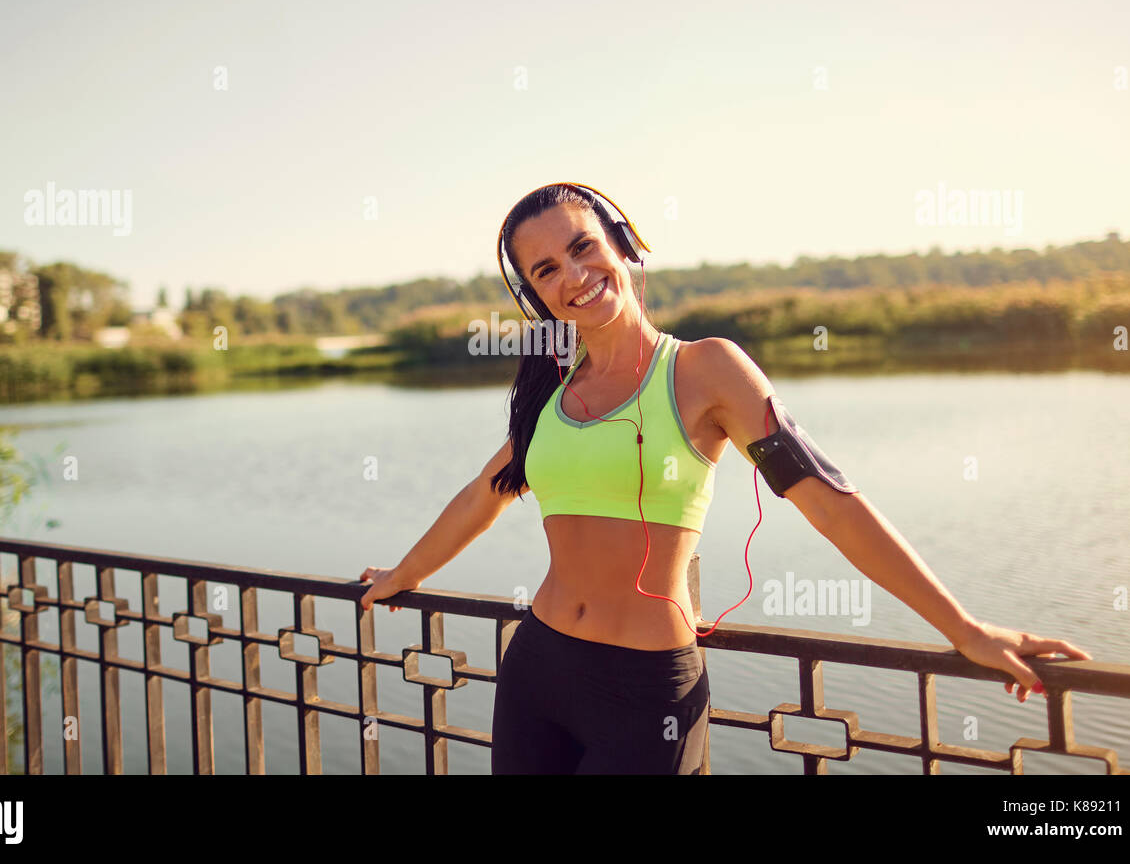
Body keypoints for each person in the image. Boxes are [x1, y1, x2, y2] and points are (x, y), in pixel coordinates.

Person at [359, 183, 1091, 774]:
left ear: (623, 243)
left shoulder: (706, 370)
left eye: (583, 248)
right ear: (536, 296)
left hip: (644, 692)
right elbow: (480, 498)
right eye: (546, 270)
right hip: (538, 669)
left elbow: (831, 504)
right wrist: (402, 573)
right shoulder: (553, 389)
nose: (573, 276)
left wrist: (962, 628)